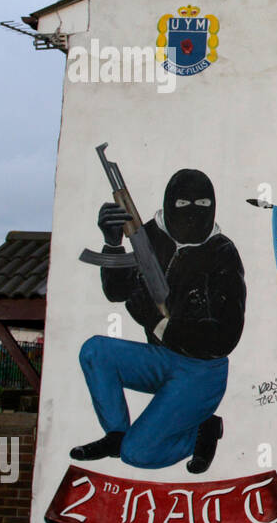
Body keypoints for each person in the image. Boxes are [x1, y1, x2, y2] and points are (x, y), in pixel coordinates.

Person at [70, 169, 245, 473]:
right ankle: (116, 433)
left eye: (202, 203)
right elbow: (116, 291)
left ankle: (201, 432)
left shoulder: (222, 253)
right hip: (161, 360)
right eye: (183, 204)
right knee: (95, 351)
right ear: (168, 204)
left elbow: (225, 337)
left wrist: (158, 323)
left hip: (201, 372)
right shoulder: (148, 235)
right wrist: (113, 243)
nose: (193, 213)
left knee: (138, 454)